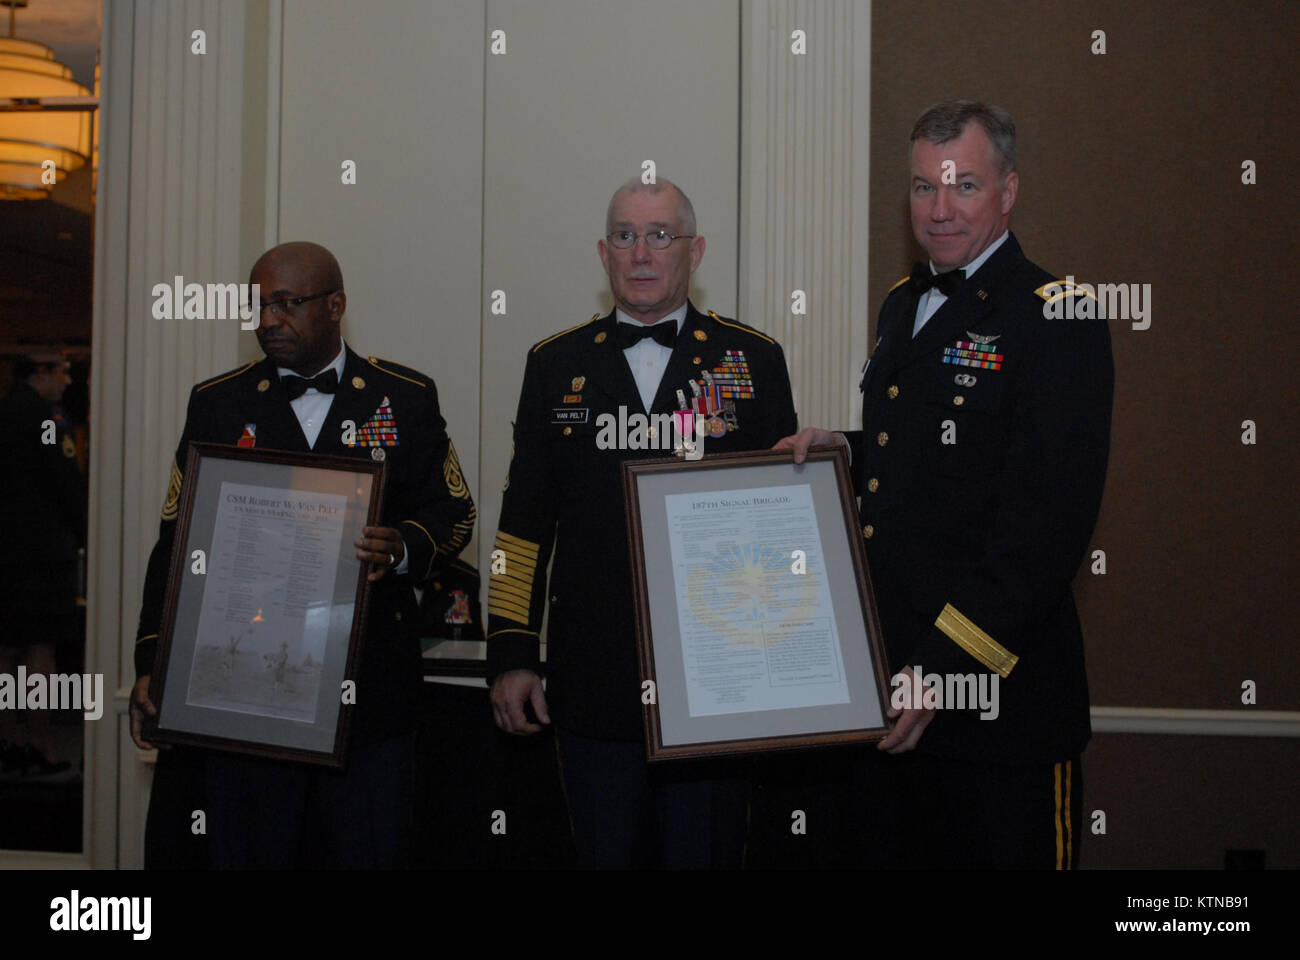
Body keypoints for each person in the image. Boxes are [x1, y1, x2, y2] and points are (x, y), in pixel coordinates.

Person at [777, 100, 1113, 869]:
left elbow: (1044, 531)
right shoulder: (905, 305)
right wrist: (848, 450)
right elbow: (935, 458)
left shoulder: (1056, 316)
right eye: (923, 187)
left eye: (963, 185)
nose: (939, 209)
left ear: (1009, 190)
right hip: (896, 701)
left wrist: (943, 670)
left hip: (999, 716)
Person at [128, 241, 475, 868]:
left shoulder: (403, 396)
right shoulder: (218, 402)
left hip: (369, 697)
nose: (268, 321)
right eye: (258, 306)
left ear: (336, 305)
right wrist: (152, 659)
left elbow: (457, 515)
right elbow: (175, 543)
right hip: (248, 699)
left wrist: (402, 548)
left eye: (286, 304)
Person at [487, 177, 798, 868]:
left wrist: (788, 668)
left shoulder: (752, 360)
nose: (642, 253)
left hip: (720, 685)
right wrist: (510, 653)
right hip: (593, 683)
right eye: (625, 237)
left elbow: (781, 527)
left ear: (696, 250)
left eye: (661, 235)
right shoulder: (556, 364)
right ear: (603, 254)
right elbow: (521, 527)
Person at [0, 350, 85, 776]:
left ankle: (9, 738)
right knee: (39, 649)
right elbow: (63, 478)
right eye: (63, 372)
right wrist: (89, 533)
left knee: (5, 649)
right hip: (44, 554)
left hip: (5, 551)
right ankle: (38, 743)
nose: (68, 382)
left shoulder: (4, 412)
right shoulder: (48, 422)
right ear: (41, 372)